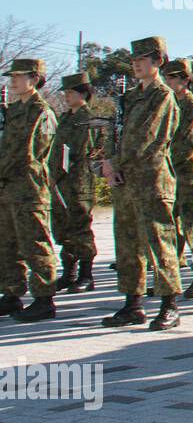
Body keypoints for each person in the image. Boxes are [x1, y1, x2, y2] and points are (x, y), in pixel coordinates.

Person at [100, 37, 184, 330]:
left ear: (158, 61)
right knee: (127, 243)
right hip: (126, 180)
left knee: (159, 242)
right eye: (134, 59)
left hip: (151, 179)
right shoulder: (129, 97)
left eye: (144, 58)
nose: (136, 64)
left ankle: (169, 304)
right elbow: (116, 135)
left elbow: (147, 138)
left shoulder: (162, 96)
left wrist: (117, 163)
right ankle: (132, 303)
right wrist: (109, 163)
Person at [0, 58, 61, 322]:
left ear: (34, 79)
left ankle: (44, 299)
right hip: (8, 188)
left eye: (18, 76)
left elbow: (28, 154)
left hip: (30, 189)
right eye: (11, 76)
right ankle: (12, 294)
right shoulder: (14, 110)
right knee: (7, 244)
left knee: (35, 243)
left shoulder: (41, 111)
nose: (12, 81)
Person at [162, 59, 193, 298]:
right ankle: (171, 280)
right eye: (166, 78)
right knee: (170, 231)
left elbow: (188, 145)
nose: (167, 82)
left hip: (190, 177)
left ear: (184, 80)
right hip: (169, 178)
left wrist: (161, 158)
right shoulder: (167, 104)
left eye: (172, 78)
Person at [49, 71, 101, 294]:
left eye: (71, 92)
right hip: (60, 182)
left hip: (78, 181)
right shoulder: (65, 118)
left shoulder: (88, 119)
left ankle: (86, 275)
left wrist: (57, 173)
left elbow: (78, 152)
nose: (66, 96)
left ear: (84, 94)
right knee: (63, 227)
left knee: (80, 227)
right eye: (66, 93)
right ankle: (68, 273)